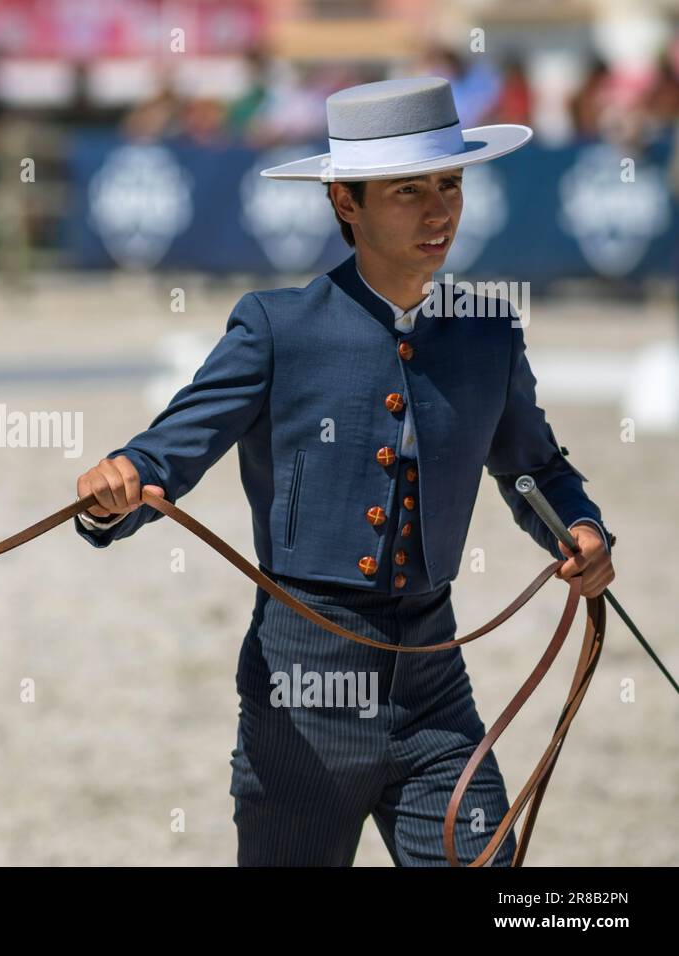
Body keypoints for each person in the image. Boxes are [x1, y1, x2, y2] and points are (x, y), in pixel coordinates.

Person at [73, 76, 616, 866]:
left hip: (436, 688)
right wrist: (113, 490)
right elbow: (165, 456)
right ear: (345, 205)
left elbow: (535, 469)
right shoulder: (275, 328)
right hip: (301, 696)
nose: (439, 211)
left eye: (450, 185)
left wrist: (580, 528)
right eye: (408, 191)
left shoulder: (488, 333)